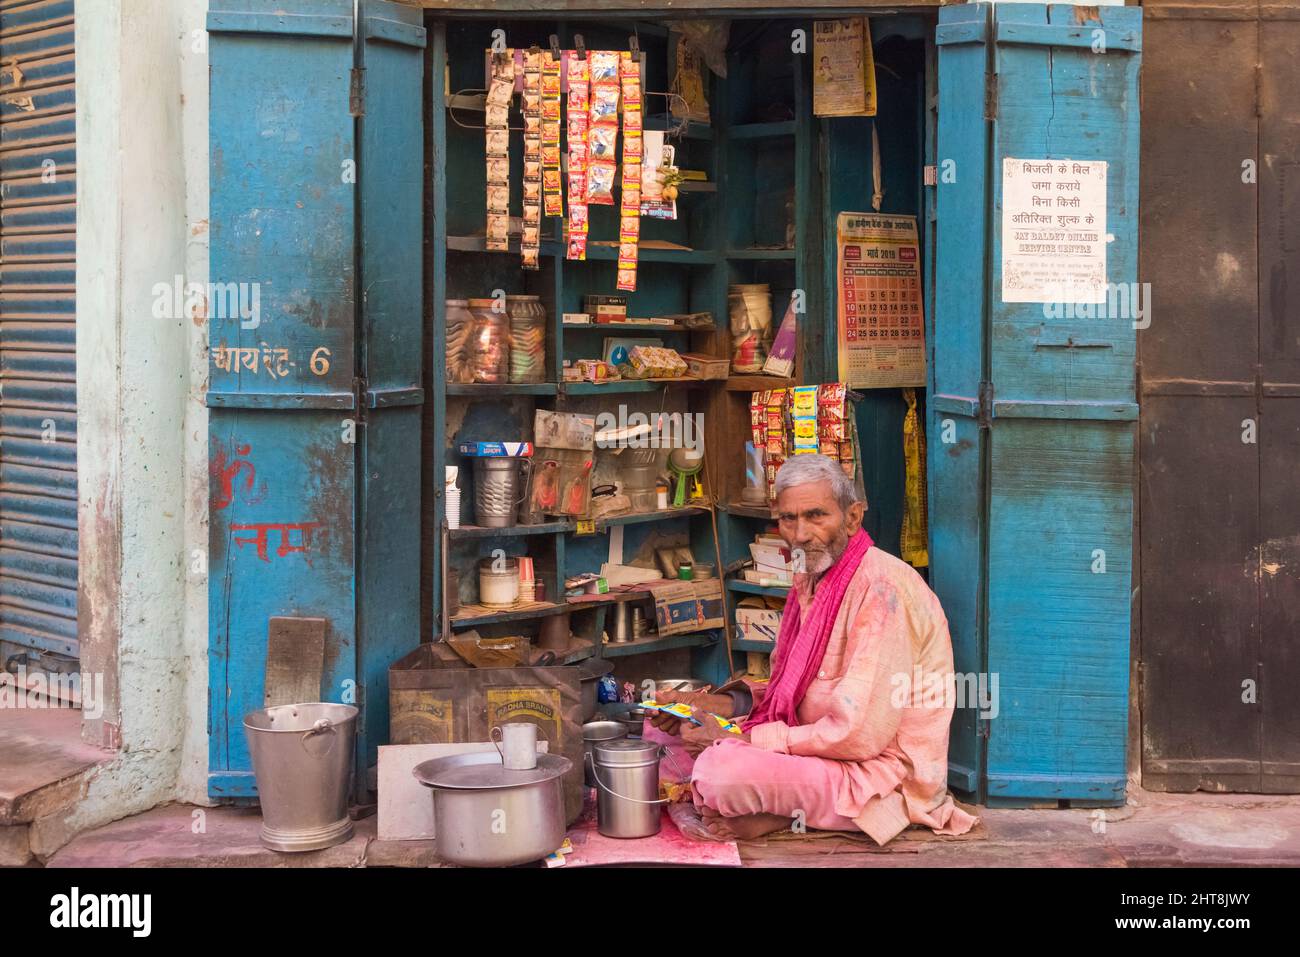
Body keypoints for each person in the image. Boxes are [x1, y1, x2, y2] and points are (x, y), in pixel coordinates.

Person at [650, 454, 978, 844]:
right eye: (789, 519)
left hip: (878, 772)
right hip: (812, 746)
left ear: (853, 517)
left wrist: (748, 741)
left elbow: (859, 738)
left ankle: (782, 812)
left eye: (816, 515)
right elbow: (787, 695)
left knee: (720, 771)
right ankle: (778, 809)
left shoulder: (881, 590)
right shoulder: (811, 578)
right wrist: (714, 708)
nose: (800, 534)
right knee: (660, 736)